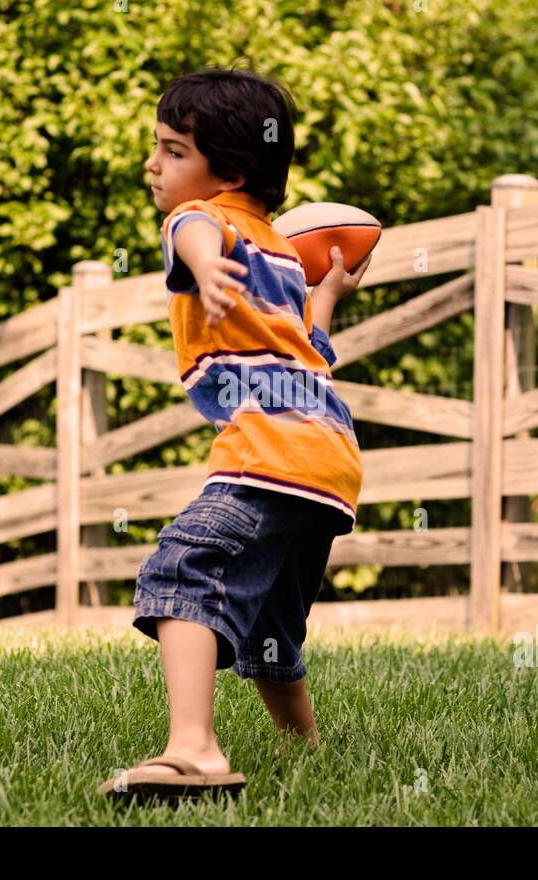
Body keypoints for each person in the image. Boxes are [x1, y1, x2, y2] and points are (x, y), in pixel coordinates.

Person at [97, 67, 369, 801]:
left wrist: (200, 262)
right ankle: (308, 753)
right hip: (329, 461)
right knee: (273, 619)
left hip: (270, 452)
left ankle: (195, 752)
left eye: (173, 150)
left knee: (183, 568)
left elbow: (190, 225)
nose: (153, 164)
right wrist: (328, 299)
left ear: (230, 172)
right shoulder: (279, 253)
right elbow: (305, 343)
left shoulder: (208, 228)